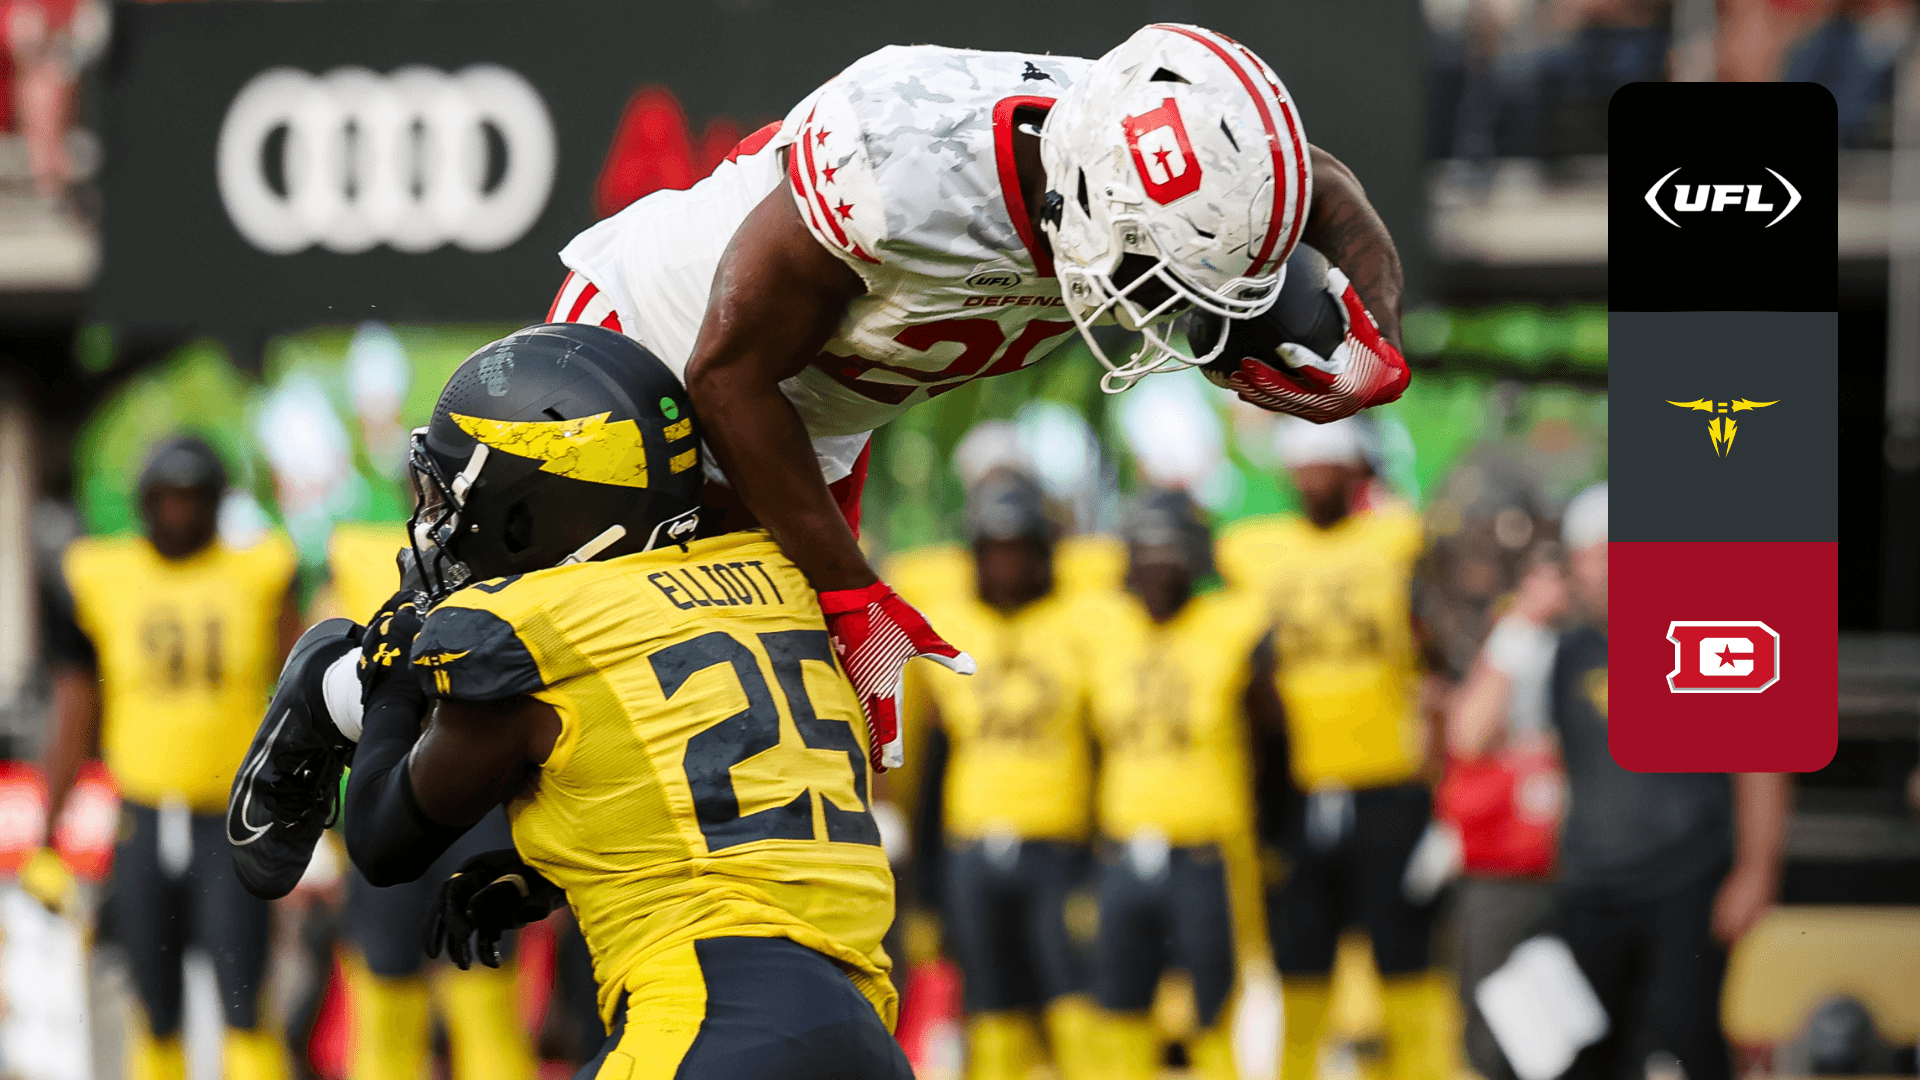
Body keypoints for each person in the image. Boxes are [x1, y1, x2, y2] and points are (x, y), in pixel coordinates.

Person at [549, 23, 1411, 774]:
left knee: (776, 760)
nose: (1160, 306)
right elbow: (726, 374)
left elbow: (1323, 188)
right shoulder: (903, 164)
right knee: (544, 661)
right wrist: (850, 591)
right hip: (647, 351)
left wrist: (1379, 345)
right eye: (1154, 272)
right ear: (1086, 198)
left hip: (807, 430)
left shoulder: (1150, 155)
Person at [231, 323, 909, 1079]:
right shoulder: (773, 576)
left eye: (458, 497)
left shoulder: (532, 627)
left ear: (525, 510)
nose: (443, 526)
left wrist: (387, 690)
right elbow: (731, 795)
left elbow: (384, 841)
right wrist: (549, 870)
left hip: (710, 1017)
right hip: (864, 1029)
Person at [1449, 483, 1791, 1080]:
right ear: (1574, 565)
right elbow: (1470, 737)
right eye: (1598, 555)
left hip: (1686, 887)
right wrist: (1523, 621)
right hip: (1590, 891)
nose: (1613, 570)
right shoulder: (1562, 652)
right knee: (1574, 1056)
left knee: (1685, 1048)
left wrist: (1757, 870)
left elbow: (1761, 762)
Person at [27, 435, 299, 1080]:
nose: (178, 511)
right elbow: (74, 709)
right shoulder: (102, 576)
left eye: (192, 497)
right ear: (144, 503)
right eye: (166, 497)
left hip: (231, 817)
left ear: (215, 503)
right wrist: (47, 832)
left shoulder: (259, 572)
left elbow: (302, 698)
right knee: (152, 1005)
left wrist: (309, 814)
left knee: (244, 1000)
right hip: (142, 814)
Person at [1221, 416, 1451, 1080]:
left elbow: (1436, 661)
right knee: (1299, 956)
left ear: (1359, 471)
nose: (1317, 478)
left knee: (1404, 954)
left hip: (1390, 782)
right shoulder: (1253, 550)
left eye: (1331, 466)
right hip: (1298, 788)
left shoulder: (1398, 539)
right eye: (1306, 466)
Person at [1077, 489, 1280, 1080]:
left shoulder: (1229, 627)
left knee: (1214, 1008)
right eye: (1146, 551)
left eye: (1172, 552)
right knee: (1117, 1009)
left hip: (1206, 852)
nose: (1158, 567)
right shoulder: (1103, 628)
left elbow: (1274, 743)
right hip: (1121, 848)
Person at [324, 521, 538, 1080]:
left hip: (471, 793)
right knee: (386, 994)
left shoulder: (513, 547)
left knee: (485, 999)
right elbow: (324, 682)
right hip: (404, 791)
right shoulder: (352, 553)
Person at [912, 468, 1099, 1080]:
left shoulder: (1081, 627)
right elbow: (937, 759)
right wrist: (927, 878)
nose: (1007, 565)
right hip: (972, 844)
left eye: (1020, 550)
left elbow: (1103, 746)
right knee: (987, 996)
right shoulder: (950, 628)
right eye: (994, 551)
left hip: (1059, 845)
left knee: (1069, 991)